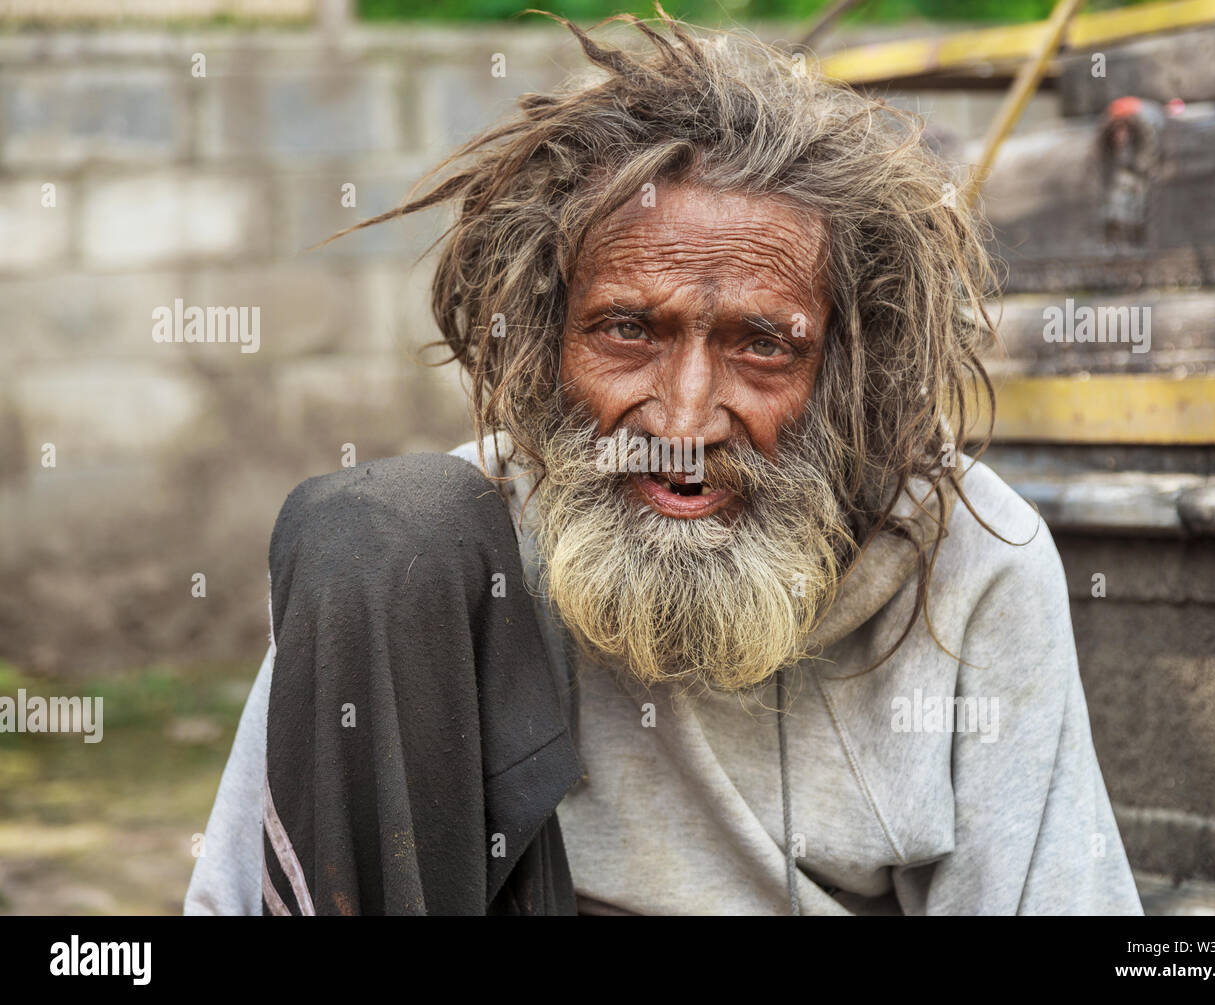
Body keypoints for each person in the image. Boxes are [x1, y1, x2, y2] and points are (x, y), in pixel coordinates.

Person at [185, 9, 1143, 916]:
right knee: (371, 529)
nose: (684, 416)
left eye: (763, 344)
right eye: (628, 330)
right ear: (545, 349)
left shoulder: (974, 560)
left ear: (849, 370)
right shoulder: (441, 560)